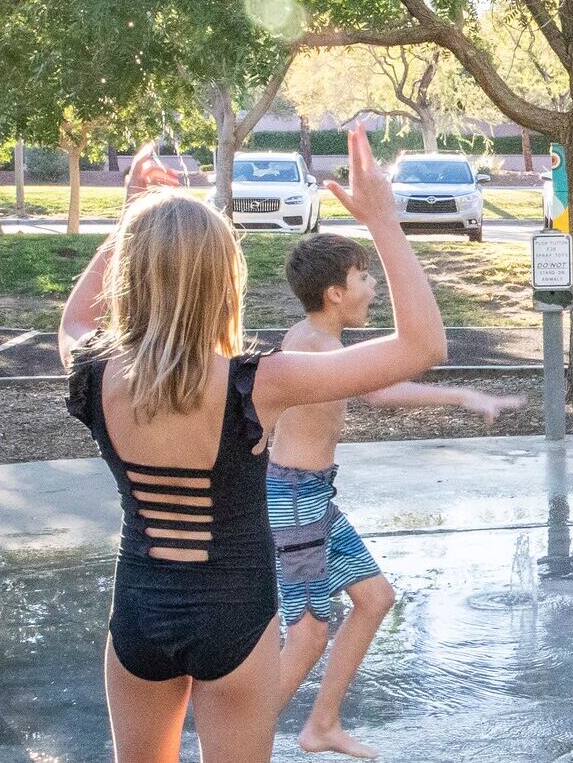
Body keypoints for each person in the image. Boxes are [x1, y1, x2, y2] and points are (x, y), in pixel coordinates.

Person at [59, 124, 446, 763]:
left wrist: (128, 224)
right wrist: (382, 220)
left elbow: (75, 322)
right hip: (234, 616)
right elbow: (423, 346)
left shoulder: (98, 373)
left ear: (134, 273)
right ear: (223, 278)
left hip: (139, 615)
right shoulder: (255, 381)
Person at [270, 233, 523, 758]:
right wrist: (461, 394)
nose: (373, 288)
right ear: (335, 293)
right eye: (364, 277)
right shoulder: (310, 345)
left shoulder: (320, 341)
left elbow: (376, 388)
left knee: (375, 598)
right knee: (310, 633)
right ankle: (234, 743)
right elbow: (381, 391)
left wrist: (460, 394)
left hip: (311, 496)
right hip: (293, 501)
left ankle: (322, 726)